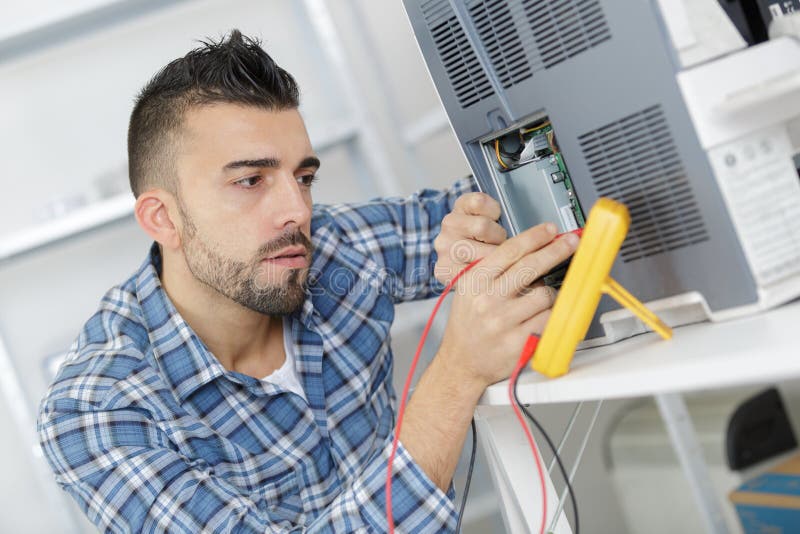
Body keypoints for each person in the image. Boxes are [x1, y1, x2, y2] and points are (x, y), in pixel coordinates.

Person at [37, 30, 578, 533]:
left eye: (303, 177)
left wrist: (475, 228)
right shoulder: (98, 412)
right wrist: (456, 374)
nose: (296, 210)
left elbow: (502, 205)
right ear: (162, 219)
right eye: (250, 180)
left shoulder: (327, 250)